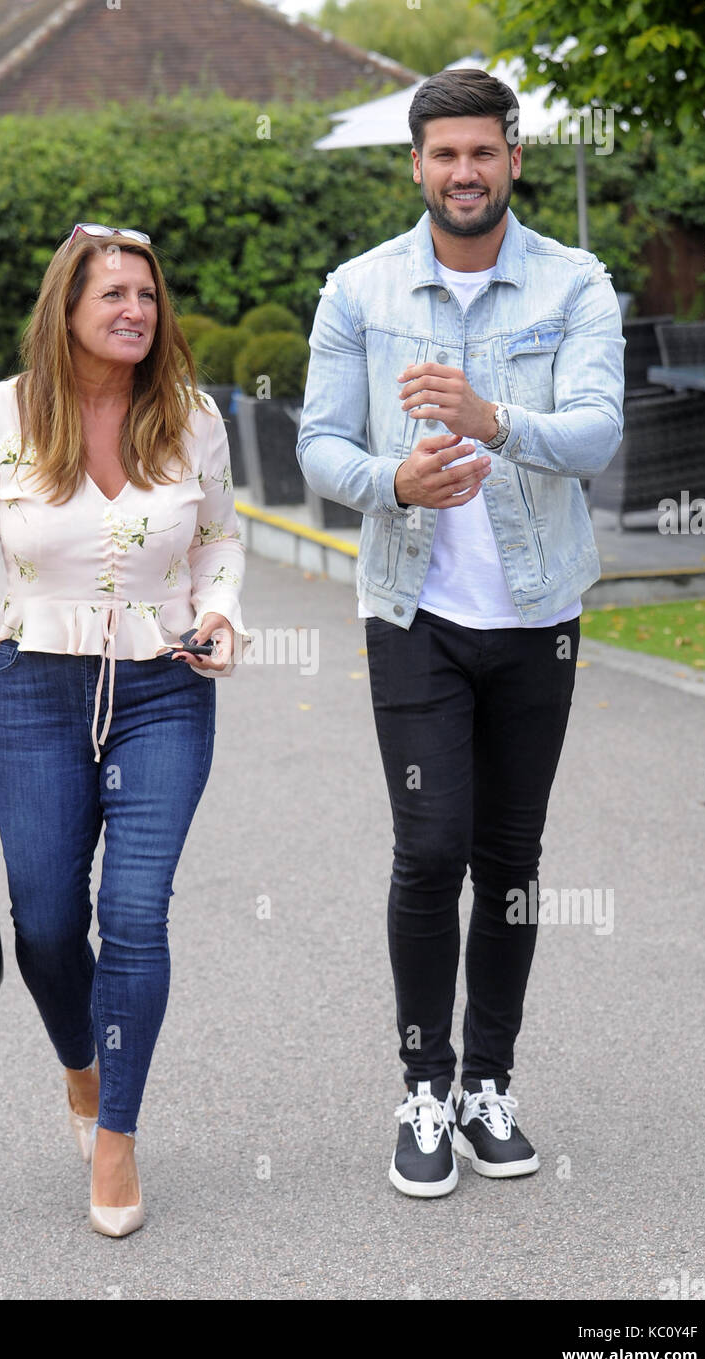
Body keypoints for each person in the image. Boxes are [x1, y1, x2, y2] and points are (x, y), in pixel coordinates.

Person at [297, 69, 624, 1197]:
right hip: (413, 614)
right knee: (431, 851)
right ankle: (424, 1087)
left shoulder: (575, 282)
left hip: (540, 619)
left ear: (513, 159)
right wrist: (393, 477)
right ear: (417, 165)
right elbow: (318, 446)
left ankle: (489, 1081)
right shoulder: (359, 289)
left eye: (482, 152)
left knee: (512, 861)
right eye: (444, 155)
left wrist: (494, 420)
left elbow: (592, 434)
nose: (464, 172)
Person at [0, 223, 249, 1236]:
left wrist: (220, 614)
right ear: (68, 307)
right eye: (112, 295)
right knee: (48, 922)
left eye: (146, 294)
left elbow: (222, 540)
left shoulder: (188, 417)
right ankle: (81, 1067)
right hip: (38, 689)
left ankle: (117, 1138)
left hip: (165, 689)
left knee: (136, 915)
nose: (135, 310)